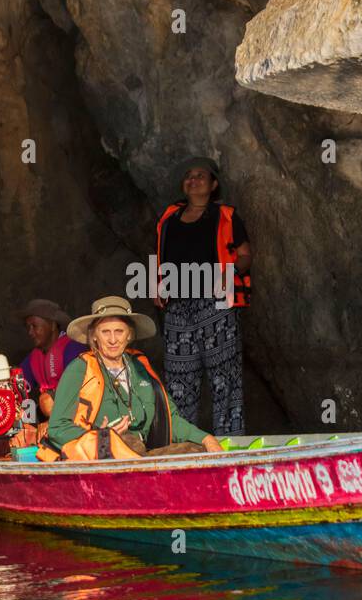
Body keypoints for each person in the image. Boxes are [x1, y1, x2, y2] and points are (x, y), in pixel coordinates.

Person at [37, 296, 222, 460]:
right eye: (105, 332)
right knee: (127, 444)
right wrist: (100, 436)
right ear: (94, 336)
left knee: (196, 451)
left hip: (140, 455)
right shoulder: (79, 369)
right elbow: (57, 428)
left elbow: (171, 419)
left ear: (129, 335)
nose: (112, 339)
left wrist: (206, 439)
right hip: (102, 456)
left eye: (119, 331)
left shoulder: (140, 367)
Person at [153, 156, 252, 436]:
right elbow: (162, 260)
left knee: (225, 380)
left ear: (213, 185)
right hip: (177, 310)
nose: (193, 179)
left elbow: (245, 255)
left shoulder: (226, 217)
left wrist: (227, 273)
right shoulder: (169, 219)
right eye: (188, 175)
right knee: (179, 383)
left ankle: (230, 445)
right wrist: (158, 285)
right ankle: (184, 443)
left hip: (216, 305)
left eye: (200, 175)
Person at [14, 299, 87, 419]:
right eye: (28, 327)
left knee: (45, 399)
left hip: (78, 416)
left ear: (52, 325)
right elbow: (18, 387)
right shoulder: (34, 357)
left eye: (34, 326)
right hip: (50, 416)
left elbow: (79, 394)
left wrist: (51, 425)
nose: (30, 332)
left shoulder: (74, 349)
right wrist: (27, 423)